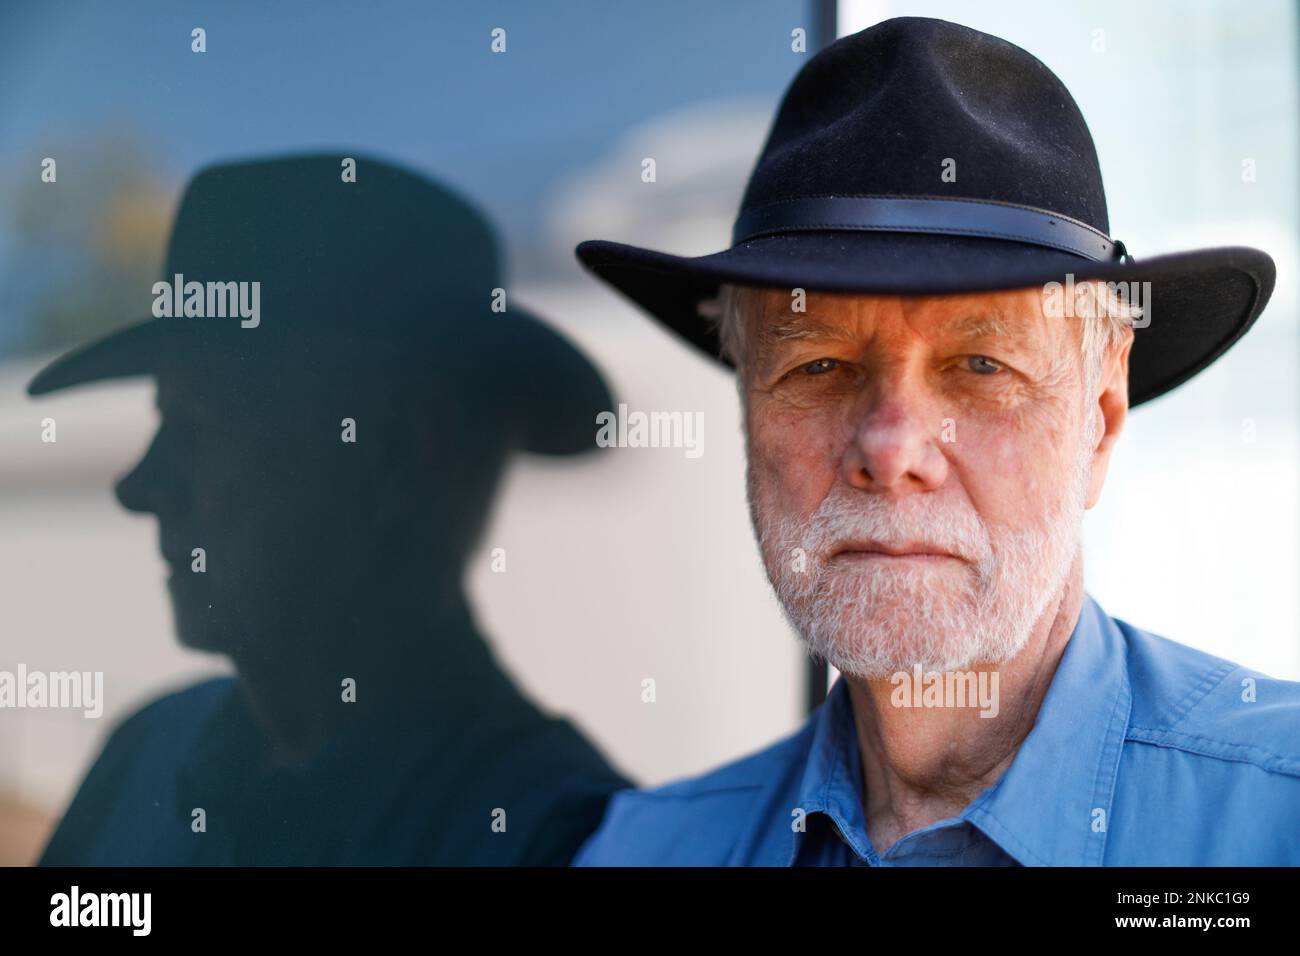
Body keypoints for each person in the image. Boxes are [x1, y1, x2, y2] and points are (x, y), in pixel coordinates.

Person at [570, 17, 1299, 866]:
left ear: (1099, 422)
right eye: (819, 365)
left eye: (981, 365)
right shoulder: (651, 852)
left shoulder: (1273, 822)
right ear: (748, 417)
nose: (893, 447)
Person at [29, 153, 631, 865]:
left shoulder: (556, 839)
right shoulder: (146, 755)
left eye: (200, 421)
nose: (140, 486)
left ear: (400, 449)